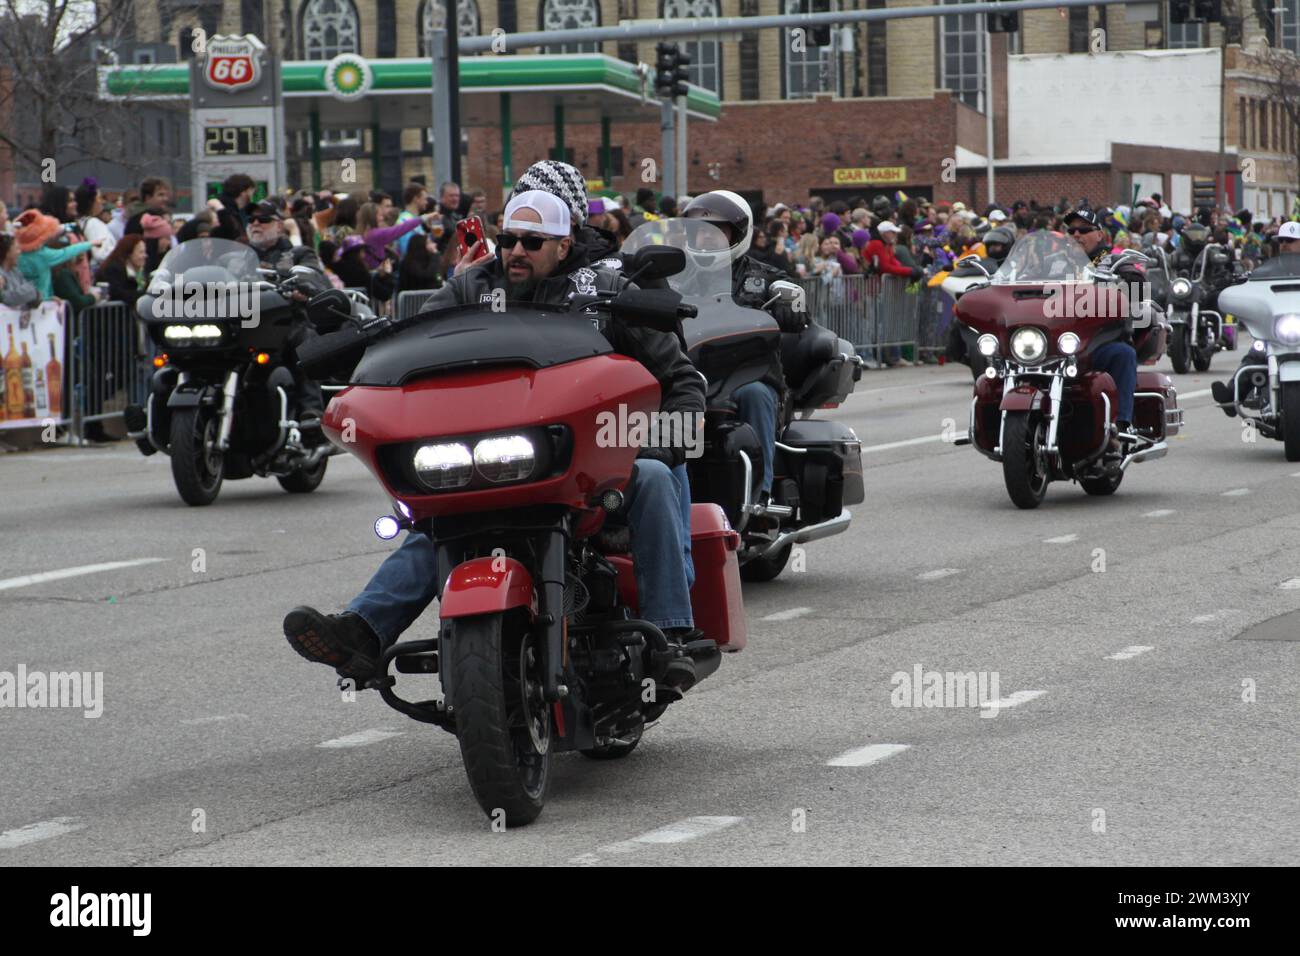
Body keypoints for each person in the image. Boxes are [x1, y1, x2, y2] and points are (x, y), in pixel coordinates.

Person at [283, 186, 707, 691]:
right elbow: (408, 338)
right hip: (489, 460)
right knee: (433, 523)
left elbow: (681, 380)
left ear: (564, 245)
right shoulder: (470, 288)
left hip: (583, 468)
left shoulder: (604, 290)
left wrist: (662, 435)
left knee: (656, 475)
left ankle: (670, 634)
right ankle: (362, 632)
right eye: (509, 240)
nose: (516, 252)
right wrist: (355, 334)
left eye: (532, 242)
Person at [682, 189, 809, 505]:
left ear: (736, 234)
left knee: (754, 394)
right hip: (688, 371)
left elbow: (800, 311)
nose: (706, 238)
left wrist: (789, 307)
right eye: (700, 231)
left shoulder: (762, 276)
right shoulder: (675, 274)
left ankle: (759, 497)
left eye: (716, 231)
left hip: (747, 375)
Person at [243, 202, 332, 429]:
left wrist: (303, 286)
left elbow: (316, 279)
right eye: (251, 220)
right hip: (244, 324)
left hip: (286, 321)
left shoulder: (297, 254)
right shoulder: (236, 256)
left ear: (279, 226)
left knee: (302, 341)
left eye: (263, 220)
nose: (255, 224)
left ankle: (311, 410)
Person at [1064, 208, 1141, 449]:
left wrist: (1122, 284)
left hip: (1096, 344)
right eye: (1071, 230)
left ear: (1099, 234)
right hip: (1057, 344)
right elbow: (1019, 280)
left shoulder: (1113, 261)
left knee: (1123, 354)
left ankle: (1121, 426)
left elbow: (1138, 286)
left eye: (1084, 229)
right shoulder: (1054, 263)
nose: (1077, 234)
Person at [1211, 220, 1300, 414]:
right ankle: (1232, 395)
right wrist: (1237, 282)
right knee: (1257, 350)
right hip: (1278, 332)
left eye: (1291, 240)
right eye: (1282, 240)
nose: (1285, 244)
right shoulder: (1266, 271)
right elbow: (1251, 284)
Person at [14, 210, 97, 301]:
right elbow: (66, 252)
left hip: (22, 303)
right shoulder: (42, 255)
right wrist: (90, 244)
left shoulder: (17, 256)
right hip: (41, 303)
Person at [0, 234, 41, 308]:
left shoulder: (16, 272)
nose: (19, 252)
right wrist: (31, 292)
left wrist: (47, 300)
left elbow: (32, 298)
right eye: (17, 249)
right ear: (7, 253)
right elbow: (7, 299)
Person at [212, 173, 256, 240]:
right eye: (251, 192)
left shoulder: (231, 212)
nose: (252, 196)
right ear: (244, 192)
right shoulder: (225, 214)